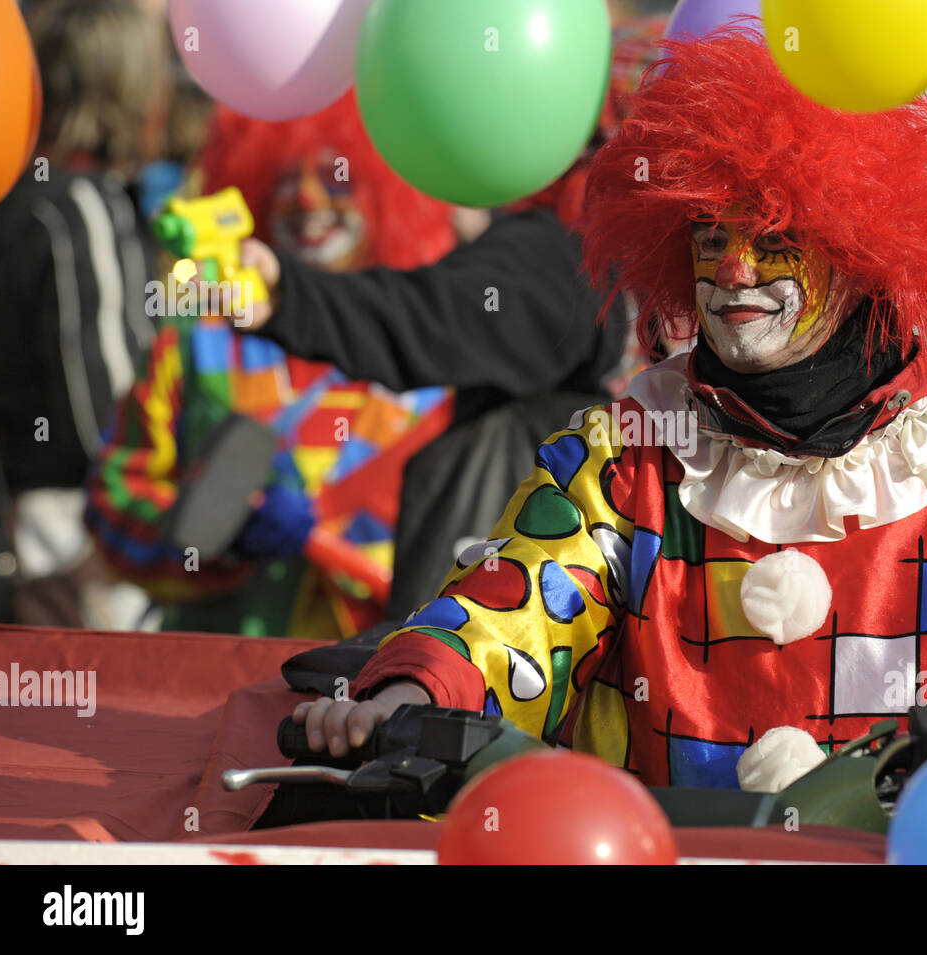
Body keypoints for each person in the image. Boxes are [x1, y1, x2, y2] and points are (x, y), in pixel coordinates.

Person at [295, 31, 927, 839]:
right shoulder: (627, 454)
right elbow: (517, 605)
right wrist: (411, 691)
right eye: (711, 235)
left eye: (775, 237)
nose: (734, 270)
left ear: (864, 249)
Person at [234, 17, 665, 614]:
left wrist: (289, 296)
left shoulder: (569, 247)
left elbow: (434, 318)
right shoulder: (715, 254)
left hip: (535, 639)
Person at [85, 91, 460, 639]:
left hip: (374, 685)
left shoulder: (430, 350)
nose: (308, 201)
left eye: (336, 178)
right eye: (285, 178)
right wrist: (213, 538)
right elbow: (114, 503)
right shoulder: (199, 336)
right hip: (215, 678)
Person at [0, 0, 169, 629]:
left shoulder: (18, 196)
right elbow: (103, 386)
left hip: (28, 516)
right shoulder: (76, 207)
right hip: (77, 531)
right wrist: (144, 509)